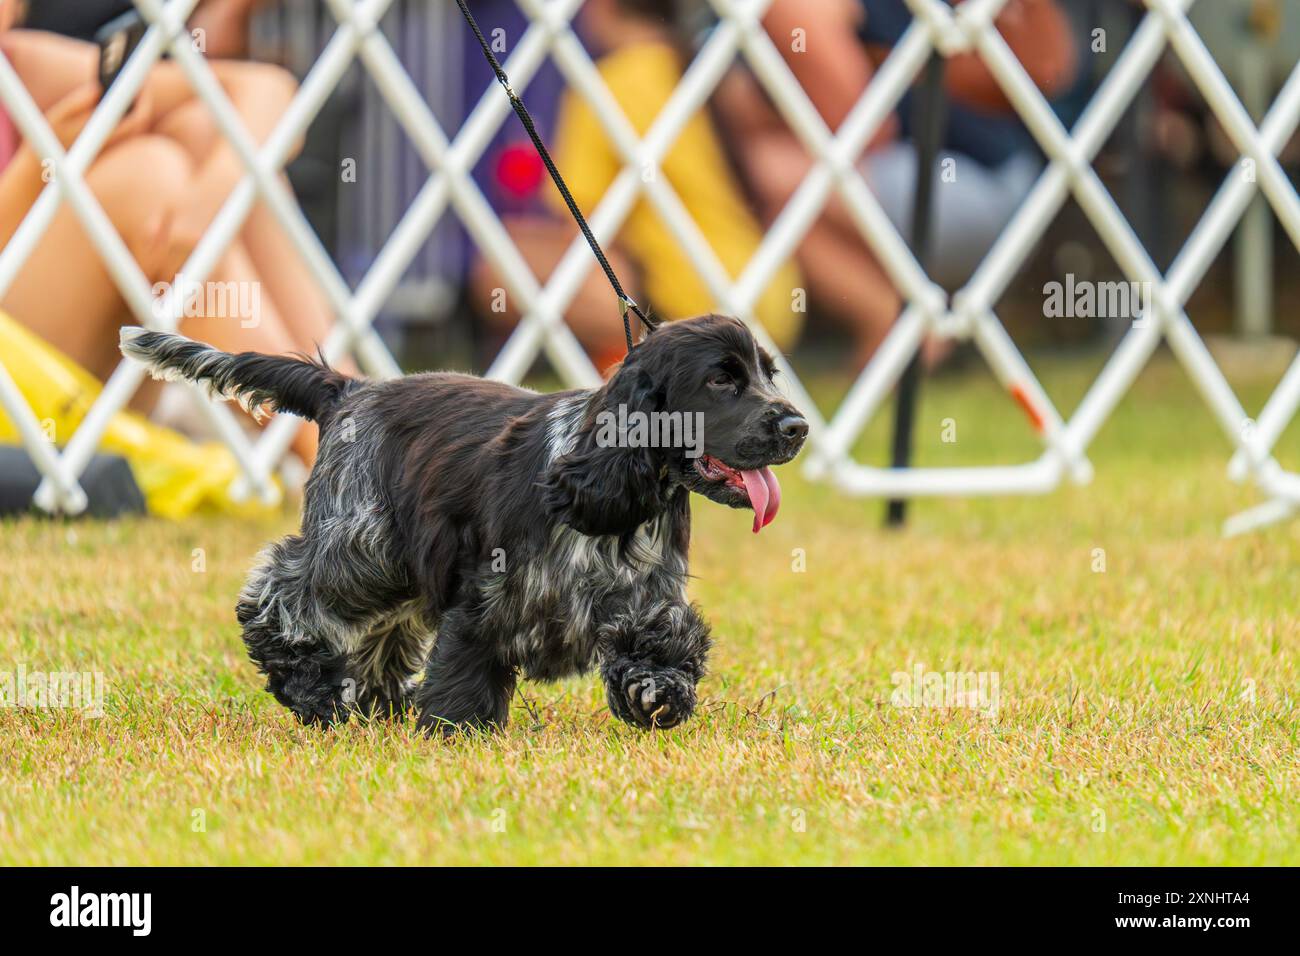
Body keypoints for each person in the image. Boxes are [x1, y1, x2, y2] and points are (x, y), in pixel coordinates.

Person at [0, 0, 341, 465]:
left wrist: (217, 187)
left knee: (209, 132)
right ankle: (334, 440)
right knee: (148, 177)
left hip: (82, 362)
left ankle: (347, 409)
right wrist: (43, 167)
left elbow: (268, 90)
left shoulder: (21, 65)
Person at [717, 0, 1077, 366]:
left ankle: (897, 327)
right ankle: (898, 330)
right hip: (1002, 187)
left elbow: (862, 131)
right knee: (781, 202)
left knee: (759, 170)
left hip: (979, 188)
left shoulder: (798, 9)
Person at [471, 0, 804, 371]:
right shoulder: (700, 69)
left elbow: (583, 227)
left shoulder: (605, 84)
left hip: (684, 304)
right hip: (768, 291)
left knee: (499, 264)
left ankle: (618, 353)